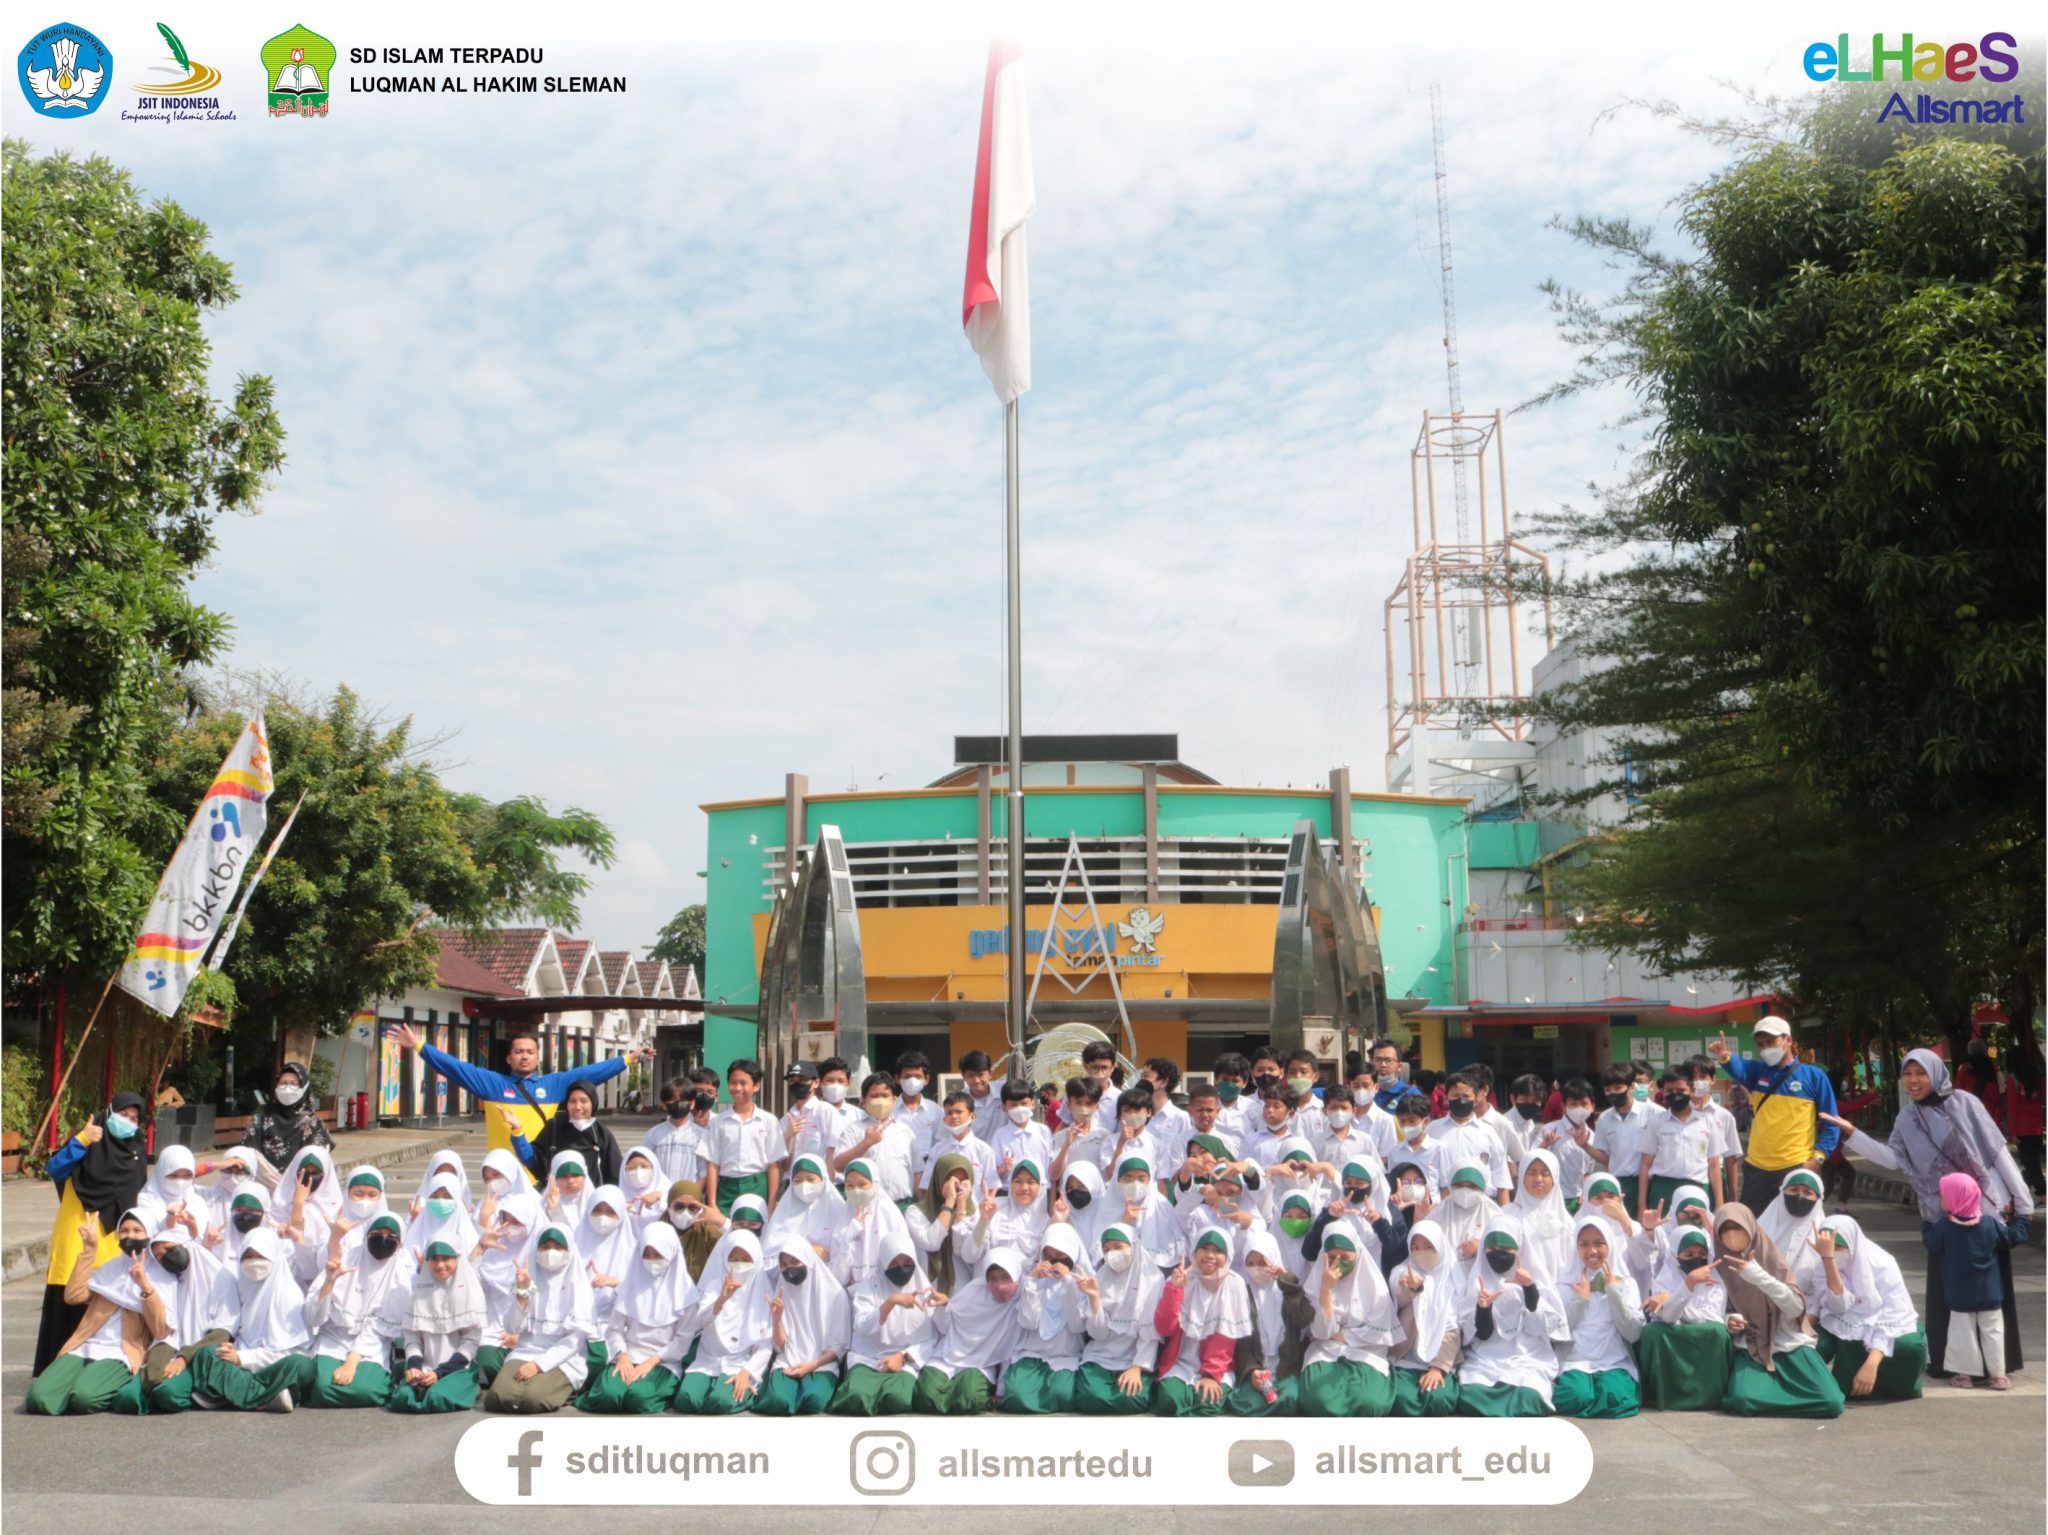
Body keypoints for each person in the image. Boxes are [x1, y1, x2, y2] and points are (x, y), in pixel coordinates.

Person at [1823, 1047, 2032, 1378]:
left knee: (1990, 1295)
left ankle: (1995, 1367)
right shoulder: (1907, 1118)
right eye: (1907, 1073)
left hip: (1985, 1213)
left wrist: (2023, 1203)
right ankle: (1952, 1366)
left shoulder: (1965, 1103)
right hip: (1941, 1217)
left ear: (1935, 1073)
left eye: (1921, 1073)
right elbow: (1893, 1159)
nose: (1913, 1080)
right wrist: (1852, 1134)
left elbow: (1996, 1153)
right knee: (1949, 1294)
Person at [393, 1022, 648, 1157]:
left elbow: (590, 1073)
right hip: (502, 1178)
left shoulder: (553, 1085)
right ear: (509, 1058)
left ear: (538, 1058)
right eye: (518, 1052)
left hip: (541, 1176)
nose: (524, 1056)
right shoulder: (493, 1084)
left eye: (529, 1052)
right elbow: (456, 1068)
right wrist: (418, 1046)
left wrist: (627, 1059)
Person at [34, 1092, 150, 1375]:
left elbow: (142, 1200)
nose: (128, 1122)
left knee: (104, 1309)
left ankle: (95, 1371)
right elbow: (54, 1169)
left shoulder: (135, 1153)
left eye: (134, 1118)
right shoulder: (85, 1143)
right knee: (67, 1302)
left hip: (112, 1245)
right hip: (76, 1238)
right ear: (109, 1113)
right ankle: (56, 1372)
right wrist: (83, 1140)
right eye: (123, 1114)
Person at [24, 1209, 169, 1415]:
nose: (130, 1236)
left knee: (84, 1399)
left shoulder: (161, 1274)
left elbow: (161, 1329)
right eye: (124, 1231)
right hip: (86, 1345)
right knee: (39, 1399)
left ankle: (114, 1383)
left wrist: (144, 1286)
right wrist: (89, 1251)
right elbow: (73, 1296)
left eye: (138, 1230)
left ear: (150, 1234)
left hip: (121, 1352)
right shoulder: (109, 1269)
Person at [1714, 1203, 1844, 1417]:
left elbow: (1795, 1308)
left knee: (1831, 1402)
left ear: (1750, 1227)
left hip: (1789, 1341)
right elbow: (1716, 1308)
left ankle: (1773, 1401)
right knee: (1742, 1400)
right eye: (1724, 1229)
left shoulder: (1770, 1257)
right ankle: (1790, 1402)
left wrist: (1758, 1276)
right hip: (1752, 1345)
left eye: (1737, 1227)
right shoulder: (1718, 1265)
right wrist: (1730, 1319)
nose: (1731, 1234)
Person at [1708, 1017, 1839, 1211]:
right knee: (1753, 1226)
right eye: (1760, 1044)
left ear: (1788, 1040)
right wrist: (1724, 1056)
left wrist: (1817, 1159)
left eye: (1770, 1042)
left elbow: (1832, 1123)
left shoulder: (1814, 1076)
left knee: (1797, 1225)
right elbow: (1738, 1067)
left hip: (1796, 1166)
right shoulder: (1757, 1071)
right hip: (1757, 1168)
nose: (1765, 1048)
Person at [188, 1227, 317, 1411]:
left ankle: (235, 1393)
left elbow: (290, 1353)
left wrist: (242, 1358)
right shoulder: (241, 1288)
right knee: (206, 1353)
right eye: (248, 1256)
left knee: (301, 1365)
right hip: (242, 1366)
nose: (254, 1262)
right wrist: (232, 1350)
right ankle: (267, 1397)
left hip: (272, 1368)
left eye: (260, 1256)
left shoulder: (288, 1295)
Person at [1923, 1172, 2027, 1390]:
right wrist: (2021, 1219)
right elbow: (2012, 1237)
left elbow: (1931, 1244)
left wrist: (1926, 1223)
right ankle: (1998, 1376)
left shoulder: (1944, 1227)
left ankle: (1964, 1375)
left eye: (1944, 1195)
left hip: (1959, 1294)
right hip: (1990, 1292)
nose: (1941, 1199)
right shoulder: (1989, 1224)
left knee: (1963, 1335)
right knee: (1994, 1332)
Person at [482, 1220, 597, 1413]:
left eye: (558, 1247)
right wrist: (522, 1293)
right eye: (545, 1247)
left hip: (564, 1358)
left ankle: (569, 1391)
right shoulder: (527, 1278)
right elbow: (511, 1327)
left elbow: (575, 1340)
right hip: (527, 1351)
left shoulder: (578, 1286)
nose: (551, 1252)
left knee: (533, 1400)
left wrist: (539, 1365)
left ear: (569, 1251)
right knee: (498, 1398)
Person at [581, 1222, 696, 1412]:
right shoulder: (630, 1286)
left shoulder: (685, 1293)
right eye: (647, 1254)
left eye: (658, 1254)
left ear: (671, 1253)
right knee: (608, 1396)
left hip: (663, 1361)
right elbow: (615, 1330)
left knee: (637, 1398)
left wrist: (651, 1362)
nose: (652, 1260)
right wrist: (622, 1356)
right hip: (629, 1354)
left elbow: (682, 1340)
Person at [1809, 1214, 1924, 1400]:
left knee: (1908, 1346)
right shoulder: (1823, 1263)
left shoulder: (1883, 1264)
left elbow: (1893, 1314)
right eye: (1830, 1248)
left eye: (1839, 1248)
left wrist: (1872, 1363)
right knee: (1820, 1345)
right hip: (1845, 1323)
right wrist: (1828, 1261)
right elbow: (1839, 1307)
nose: (1835, 1253)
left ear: (1853, 1243)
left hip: (1888, 1324)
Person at [303, 1212, 409, 1407]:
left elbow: (379, 1329)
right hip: (334, 1339)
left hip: (371, 1347)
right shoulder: (344, 1261)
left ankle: (388, 1378)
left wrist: (351, 1364)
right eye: (377, 1234)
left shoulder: (400, 1277)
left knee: (365, 1390)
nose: (383, 1240)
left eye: (391, 1237)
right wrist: (329, 1282)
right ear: (366, 1235)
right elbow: (313, 1318)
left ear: (399, 1243)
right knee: (322, 1388)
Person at [1455, 1228, 1565, 1416]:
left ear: (1518, 1250)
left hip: (1527, 1357)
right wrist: (1483, 1308)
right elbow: (1477, 1334)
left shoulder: (1535, 1281)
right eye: (1492, 1250)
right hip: (1485, 1359)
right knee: (1471, 1396)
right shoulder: (1477, 1283)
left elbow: (1539, 1329)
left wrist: (1529, 1289)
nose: (1499, 1255)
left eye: (1506, 1250)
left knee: (1530, 1397)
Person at [826, 1238, 937, 1415]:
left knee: (897, 1398)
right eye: (894, 1263)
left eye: (907, 1262)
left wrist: (902, 1357)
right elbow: (861, 1325)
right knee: (855, 1396)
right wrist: (890, 1302)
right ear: (884, 1264)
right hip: (868, 1358)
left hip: (904, 1362)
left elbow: (932, 1338)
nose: (901, 1268)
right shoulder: (870, 1287)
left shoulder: (924, 1290)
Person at [1151, 1229, 1255, 1417]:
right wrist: (1175, 1290)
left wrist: (1211, 1376)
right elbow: (1164, 1328)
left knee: (1208, 1403)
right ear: (1194, 1251)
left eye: (1217, 1251)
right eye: (1204, 1249)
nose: (1210, 1255)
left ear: (1227, 1255)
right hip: (1181, 1362)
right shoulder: (1180, 1279)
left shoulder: (1234, 1284)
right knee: (1170, 1400)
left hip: (1218, 1367)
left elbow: (1226, 1336)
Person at [1553, 1213, 1644, 1418]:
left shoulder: (1626, 1283)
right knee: (1575, 1396)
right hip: (1574, 1360)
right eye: (1584, 1244)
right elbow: (1559, 1334)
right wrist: (1580, 1299)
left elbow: (1633, 1334)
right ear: (1576, 1247)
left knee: (1615, 1397)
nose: (1592, 1251)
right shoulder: (1564, 1285)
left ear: (1610, 1245)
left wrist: (1613, 1292)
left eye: (1599, 1243)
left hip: (1614, 1360)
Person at [1300, 1228, 1399, 1416]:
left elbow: (1378, 1333)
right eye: (1331, 1257)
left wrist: (1340, 1335)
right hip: (1325, 1352)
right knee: (1319, 1400)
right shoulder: (1315, 1285)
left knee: (1370, 1402)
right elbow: (1321, 1333)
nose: (1337, 1262)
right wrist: (1326, 1290)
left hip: (1367, 1352)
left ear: (1357, 1254)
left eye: (1345, 1257)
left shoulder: (1376, 1287)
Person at [676, 1230, 774, 1413]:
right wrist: (721, 1300)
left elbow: (765, 1344)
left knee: (720, 1402)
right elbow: (697, 1324)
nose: (739, 1265)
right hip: (709, 1360)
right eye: (733, 1259)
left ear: (756, 1260)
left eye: (746, 1259)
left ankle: (750, 1391)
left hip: (742, 1363)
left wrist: (747, 1372)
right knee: (687, 1399)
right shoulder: (715, 1286)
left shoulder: (765, 1293)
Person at [386, 1239, 487, 1413]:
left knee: (436, 1398)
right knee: (403, 1398)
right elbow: (412, 1339)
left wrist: (440, 1373)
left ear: (457, 1259)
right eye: (434, 1259)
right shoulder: (419, 1294)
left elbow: (470, 1343)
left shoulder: (469, 1293)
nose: (440, 1265)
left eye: (446, 1258)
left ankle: (470, 1385)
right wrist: (415, 1367)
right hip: (425, 1367)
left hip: (457, 1369)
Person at [1070, 1224, 1163, 1414]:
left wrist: (1136, 1368)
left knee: (1132, 1399)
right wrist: (1094, 1298)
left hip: (1134, 1357)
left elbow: (1150, 1332)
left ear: (1133, 1246)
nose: (1112, 1254)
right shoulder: (1099, 1278)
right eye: (1106, 1249)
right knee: (1089, 1397)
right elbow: (1099, 1335)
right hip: (1101, 1355)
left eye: (1118, 1247)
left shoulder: (1153, 1279)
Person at [755, 1232, 850, 1416]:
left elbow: (839, 1346)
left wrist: (813, 1365)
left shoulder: (835, 1294)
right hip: (787, 1363)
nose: (789, 1269)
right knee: (778, 1401)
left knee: (813, 1399)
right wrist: (776, 1318)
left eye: (795, 1262)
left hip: (821, 1364)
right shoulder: (781, 1293)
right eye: (784, 1265)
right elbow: (780, 1346)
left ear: (807, 1260)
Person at [1638, 1225, 1731, 1410]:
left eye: (1702, 1254)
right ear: (1675, 1255)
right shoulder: (1663, 1279)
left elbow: (1712, 1316)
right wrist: (1688, 1285)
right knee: (1653, 1332)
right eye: (1689, 1254)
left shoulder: (1716, 1279)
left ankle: (1710, 1396)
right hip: (1672, 1331)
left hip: (1702, 1331)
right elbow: (1668, 1317)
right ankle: (1659, 1395)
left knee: (1718, 1332)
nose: (1697, 1259)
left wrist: (1673, 1299)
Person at [1001, 1223, 1091, 1413]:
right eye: (1049, 1257)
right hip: (1032, 1354)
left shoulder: (1083, 1283)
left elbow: (1076, 1326)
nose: (1054, 1262)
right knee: (1016, 1396)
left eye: (1060, 1256)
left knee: (1062, 1395)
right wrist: (1032, 1281)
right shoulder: (1035, 1281)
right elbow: (1029, 1322)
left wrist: (1068, 1282)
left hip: (1066, 1356)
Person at [1229, 1232, 1312, 1415]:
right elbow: (1242, 1342)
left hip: (1286, 1371)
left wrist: (1287, 1281)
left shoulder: (1286, 1291)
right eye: (1250, 1264)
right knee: (1242, 1402)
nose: (1256, 1269)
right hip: (1258, 1371)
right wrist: (1252, 1371)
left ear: (1273, 1260)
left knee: (1289, 1398)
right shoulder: (1243, 1294)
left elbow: (1304, 1318)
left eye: (1262, 1263)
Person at [1388, 1219, 1462, 1417]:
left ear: (1440, 1246)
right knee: (1401, 1399)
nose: (1422, 1252)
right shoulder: (1402, 1271)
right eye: (1416, 1248)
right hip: (1406, 1357)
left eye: (1429, 1246)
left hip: (1441, 1359)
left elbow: (1453, 1328)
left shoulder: (1454, 1279)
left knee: (1439, 1399)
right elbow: (1400, 1294)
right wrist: (1411, 1288)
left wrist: (1438, 1368)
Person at [505, 1079, 621, 1190]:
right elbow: (531, 1159)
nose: (577, 1107)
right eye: (572, 1101)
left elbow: (615, 1178)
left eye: (584, 1101)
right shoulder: (554, 1128)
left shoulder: (602, 1135)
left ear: (593, 1103)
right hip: (555, 1199)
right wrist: (517, 1130)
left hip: (591, 1201)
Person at [1641, 1069, 1722, 1217]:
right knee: (1661, 1231)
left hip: (1698, 1188)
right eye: (1669, 1091)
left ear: (1692, 1090)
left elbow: (1714, 1165)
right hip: (1663, 1189)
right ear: (1663, 1092)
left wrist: (1719, 1204)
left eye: (1681, 1090)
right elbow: (1646, 1163)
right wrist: (1642, 1206)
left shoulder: (1707, 1121)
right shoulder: (1656, 1122)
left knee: (1696, 1231)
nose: (1675, 1094)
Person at [832, 1072, 917, 1208]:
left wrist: (919, 1203)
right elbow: (838, 1165)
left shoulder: (905, 1131)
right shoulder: (854, 1130)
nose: (880, 1101)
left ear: (894, 1100)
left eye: (884, 1095)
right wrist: (866, 1143)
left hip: (902, 1205)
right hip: (866, 1206)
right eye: (874, 1096)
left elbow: (918, 1170)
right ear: (864, 1100)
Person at [236, 1061, 333, 1173]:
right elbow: (244, 1154)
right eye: (282, 1083)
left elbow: (318, 1161)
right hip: (263, 1180)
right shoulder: (260, 1121)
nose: (287, 1087)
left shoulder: (314, 1125)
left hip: (300, 1181)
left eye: (294, 1083)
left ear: (305, 1087)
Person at [642, 1076, 715, 1185]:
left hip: (691, 1193)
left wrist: (692, 1193)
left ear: (692, 1103)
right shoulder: (653, 1135)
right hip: (660, 1194)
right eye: (672, 1099)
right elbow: (645, 1166)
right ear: (664, 1104)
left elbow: (704, 1173)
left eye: (683, 1099)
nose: (678, 1103)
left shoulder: (701, 1136)